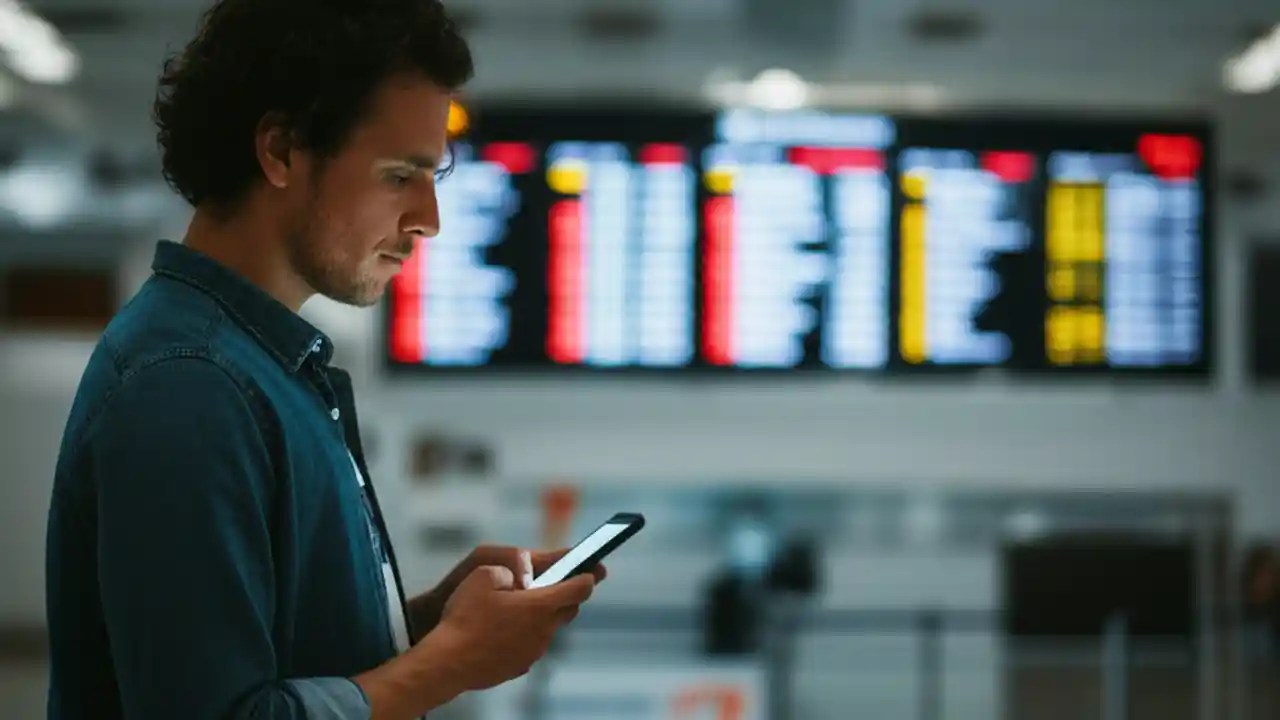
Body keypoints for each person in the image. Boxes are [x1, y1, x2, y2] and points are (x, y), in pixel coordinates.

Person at [44, 1, 602, 719]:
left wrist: (431, 624)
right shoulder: (188, 387)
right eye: (401, 175)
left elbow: (285, 657)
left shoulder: (264, 370)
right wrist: (450, 662)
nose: (429, 219)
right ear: (280, 151)